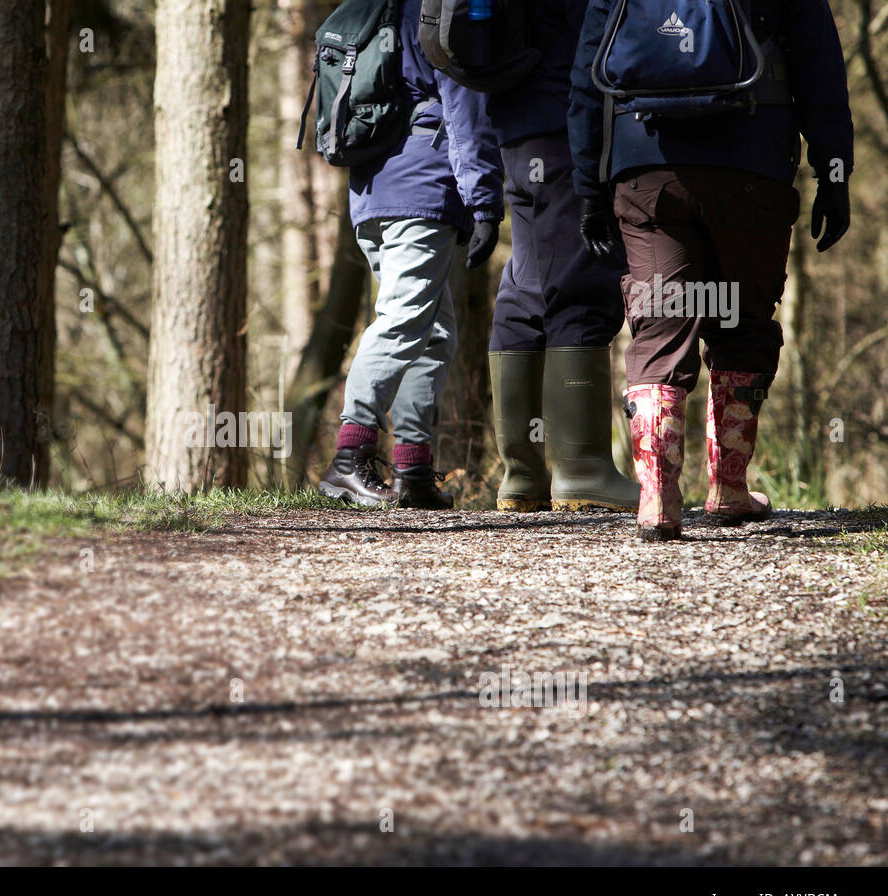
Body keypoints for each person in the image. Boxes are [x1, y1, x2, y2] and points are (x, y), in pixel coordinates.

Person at [569, 0, 853, 540]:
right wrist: (833, 171)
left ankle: (657, 499)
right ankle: (728, 488)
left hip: (645, 165)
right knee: (743, 317)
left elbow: (587, 81)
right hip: (753, 165)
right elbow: (820, 71)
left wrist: (588, 187)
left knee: (659, 321)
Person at [318, 0, 503, 509]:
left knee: (433, 329)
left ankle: (413, 469)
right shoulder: (446, 11)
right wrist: (485, 202)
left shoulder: (387, 9)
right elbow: (465, 107)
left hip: (373, 190)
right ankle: (348, 460)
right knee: (403, 320)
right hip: (421, 190)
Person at [483, 0, 639, 514]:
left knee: (526, 283)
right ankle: (582, 468)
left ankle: (522, 474)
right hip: (564, 122)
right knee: (582, 275)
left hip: (515, 124)